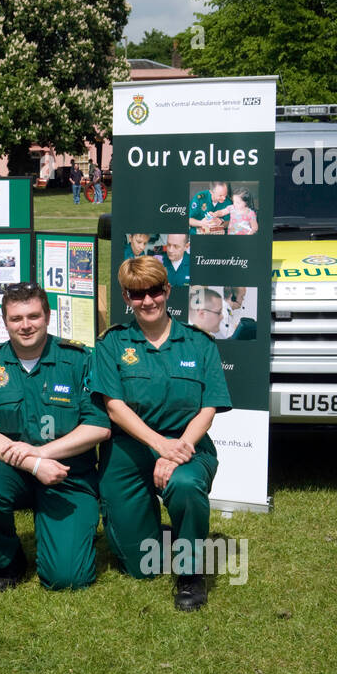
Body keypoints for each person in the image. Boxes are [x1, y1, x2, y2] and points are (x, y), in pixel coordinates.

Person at [91, 257, 232, 611]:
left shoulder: (199, 343)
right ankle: (168, 535)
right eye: (137, 294)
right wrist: (159, 446)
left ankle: (190, 573)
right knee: (142, 566)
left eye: (154, 291)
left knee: (184, 485)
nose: (148, 301)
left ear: (167, 290)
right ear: (126, 297)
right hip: (129, 447)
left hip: (188, 443)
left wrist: (177, 449)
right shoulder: (112, 343)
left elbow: (208, 408)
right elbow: (114, 407)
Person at [0, 283, 111, 590]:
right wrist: (32, 463)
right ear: (5, 322)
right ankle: (8, 561)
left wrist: (43, 455)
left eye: (33, 316)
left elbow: (98, 426)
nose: (25, 325)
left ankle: (65, 537)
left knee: (66, 579)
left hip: (68, 472)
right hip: (9, 470)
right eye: (16, 319)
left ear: (48, 316)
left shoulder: (79, 359)